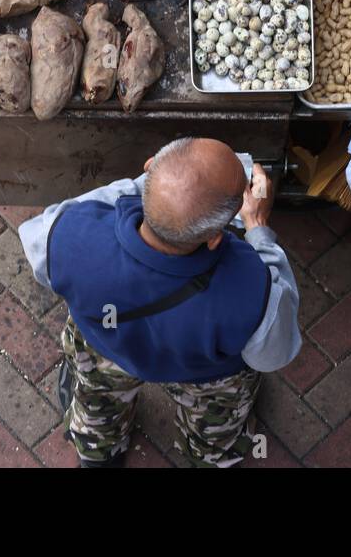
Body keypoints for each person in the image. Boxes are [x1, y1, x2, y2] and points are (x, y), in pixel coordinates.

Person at [18, 137, 300, 467]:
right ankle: (208, 455)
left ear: (149, 164)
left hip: (106, 348)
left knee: (98, 394)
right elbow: (273, 353)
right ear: (214, 238)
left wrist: (149, 187)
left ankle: (98, 452)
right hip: (205, 374)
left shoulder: (71, 234)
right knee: (219, 417)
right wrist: (258, 228)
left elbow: (39, 244)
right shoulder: (250, 285)